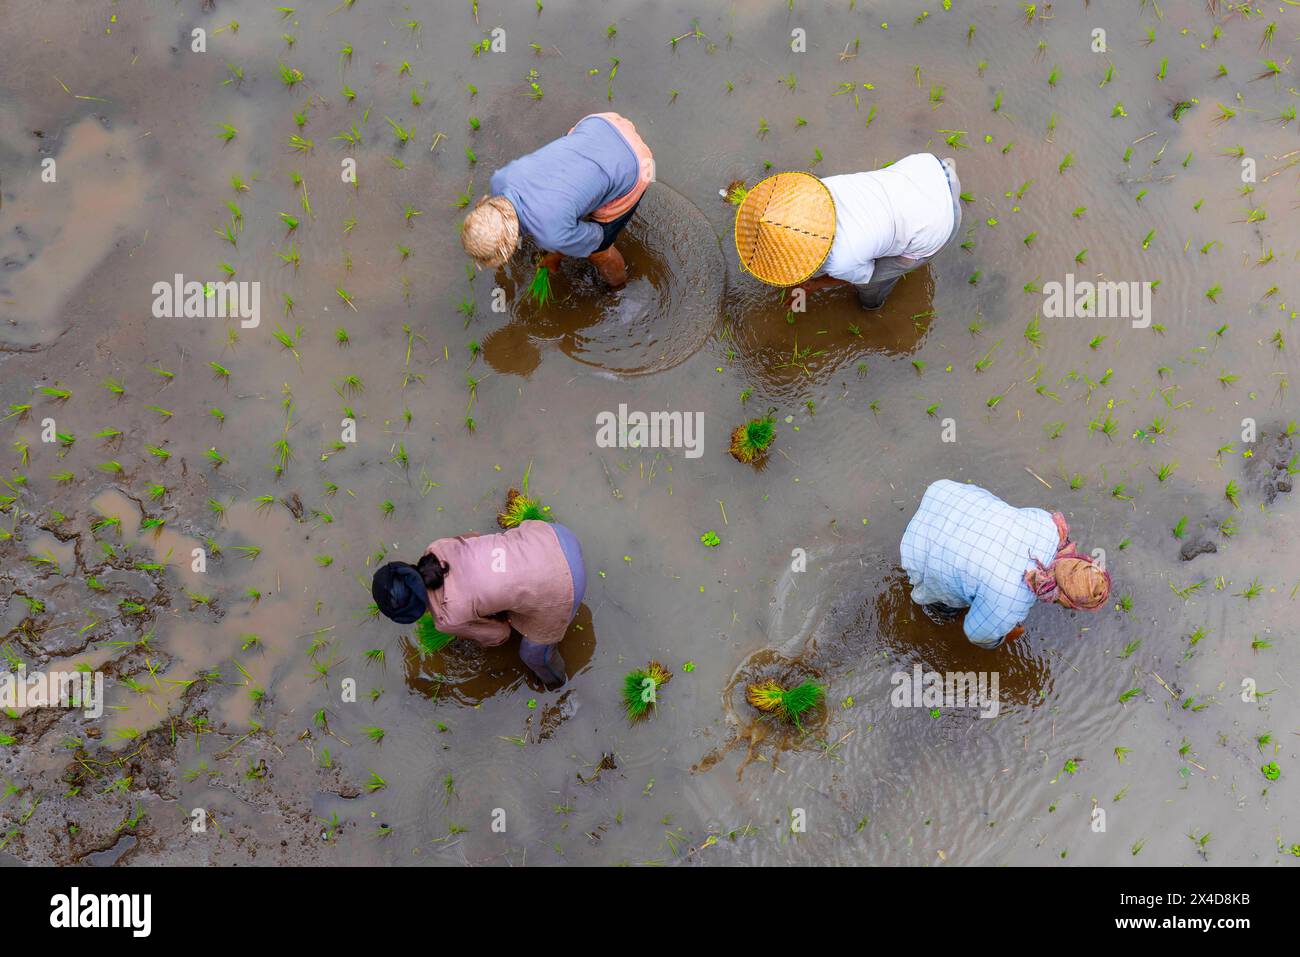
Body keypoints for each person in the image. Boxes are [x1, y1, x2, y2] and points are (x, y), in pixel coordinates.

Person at [733, 152, 962, 309]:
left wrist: (815, 285)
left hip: (938, 222)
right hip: (927, 167)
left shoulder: (840, 260)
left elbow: (866, 276)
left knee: (873, 286)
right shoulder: (818, 190)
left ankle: (872, 307)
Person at [899, 480, 1111, 649]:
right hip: (918, 547)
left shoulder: (1049, 526)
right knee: (945, 608)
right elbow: (977, 634)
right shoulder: (1011, 602)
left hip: (947, 495)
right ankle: (939, 611)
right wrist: (1007, 633)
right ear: (1066, 600)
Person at [371, 521, 586, 686]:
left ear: (413, 613)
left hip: (565, 580)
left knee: (533, 655)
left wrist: (477, 628)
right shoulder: (436, 549)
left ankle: (558, 685)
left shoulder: (446, 618)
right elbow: (476, 538)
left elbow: (500, 635)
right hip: (553, 535)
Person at [459, 112, 655, 289]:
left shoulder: (551, 233)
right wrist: (559, 241)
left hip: (638, 164)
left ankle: (619, 288)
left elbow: (597, 237)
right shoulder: (499, 180)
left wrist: (558, 249)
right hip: (601, 124)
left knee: (600, 252)